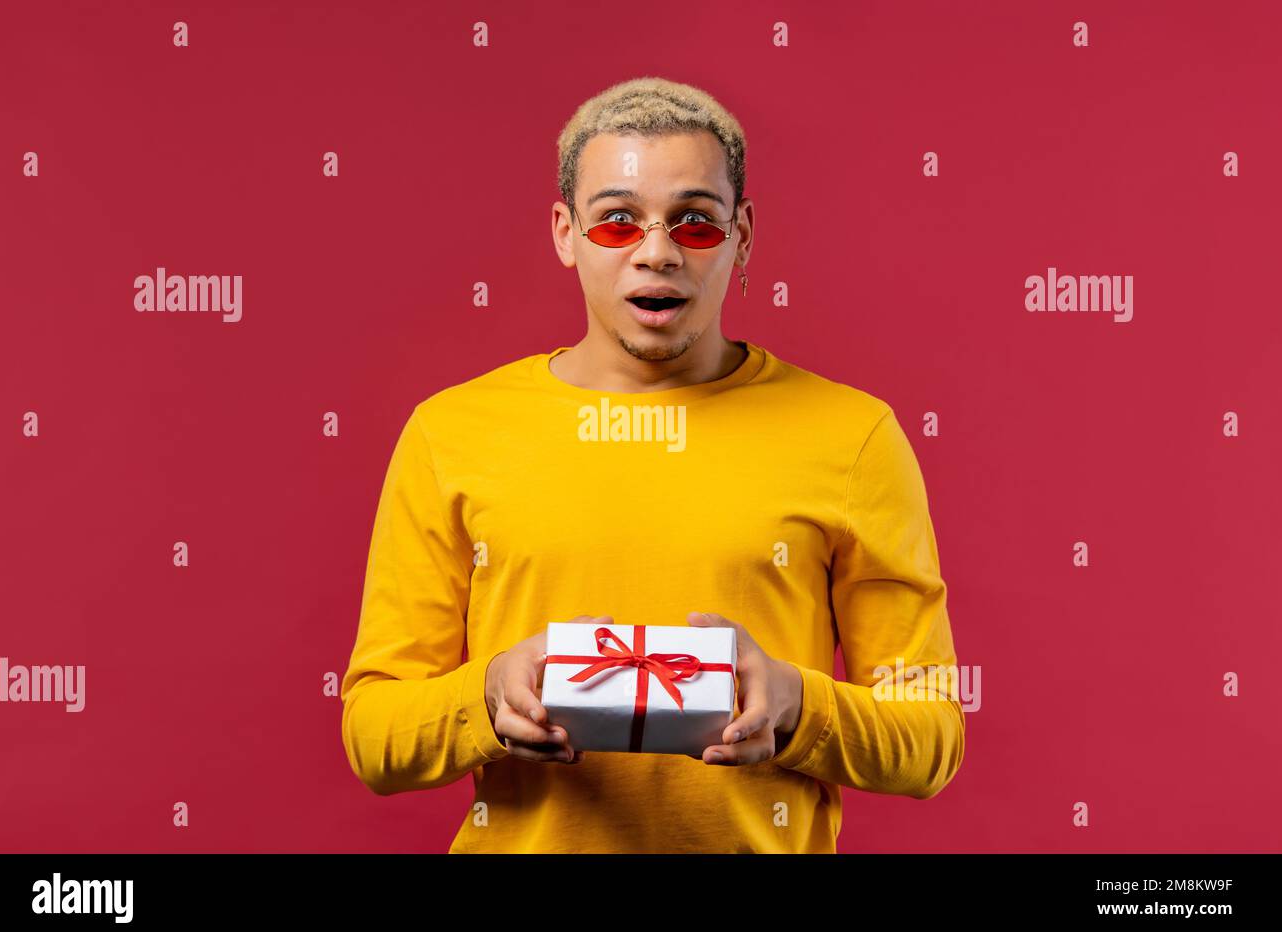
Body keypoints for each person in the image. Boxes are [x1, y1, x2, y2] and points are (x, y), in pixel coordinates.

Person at [340, 76, 965, 853]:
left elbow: (933, 730)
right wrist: (488, 695)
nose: (658, 252)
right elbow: (373, 732)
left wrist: (797, 705)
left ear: (743, 234)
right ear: (566, 233)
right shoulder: (450, 432)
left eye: (695, 223)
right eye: (618, 222)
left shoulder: (854, 435)